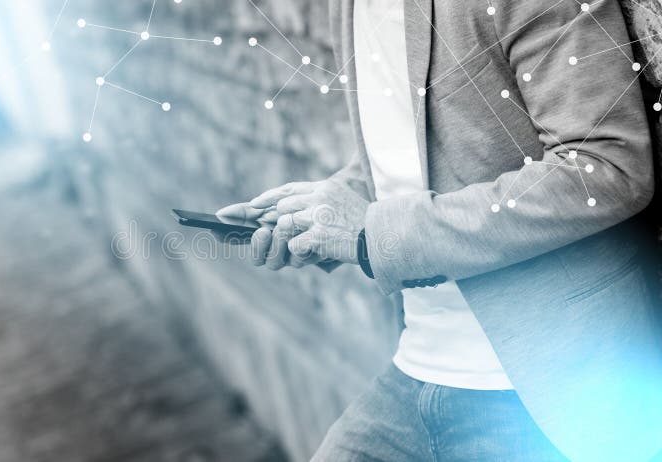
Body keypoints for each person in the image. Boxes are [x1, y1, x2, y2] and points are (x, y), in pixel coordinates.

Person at [217, 0, 662, 460]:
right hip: (415, 370)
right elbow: (411, 146)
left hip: (552, 387)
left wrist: (374, 235)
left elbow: (605, 167)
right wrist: (324, 212)